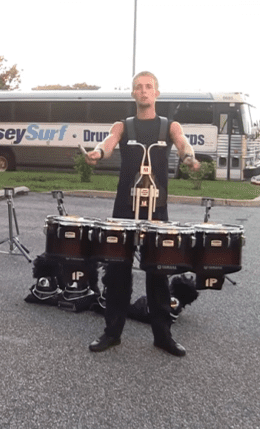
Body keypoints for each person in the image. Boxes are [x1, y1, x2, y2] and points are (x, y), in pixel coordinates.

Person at [84, 71, 200, 357]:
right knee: (117, 272)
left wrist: (188, 156)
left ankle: (163, 336)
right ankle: (112, 333)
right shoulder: (123, 126)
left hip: (157, 210)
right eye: (139, 87)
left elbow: (183, 142)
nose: (144, 91)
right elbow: (108, 143)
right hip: (125, 208)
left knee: (158, 273)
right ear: (133, 94)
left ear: (156, 93)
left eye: (149, 87)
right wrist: (97, 154)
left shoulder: (168, 126)